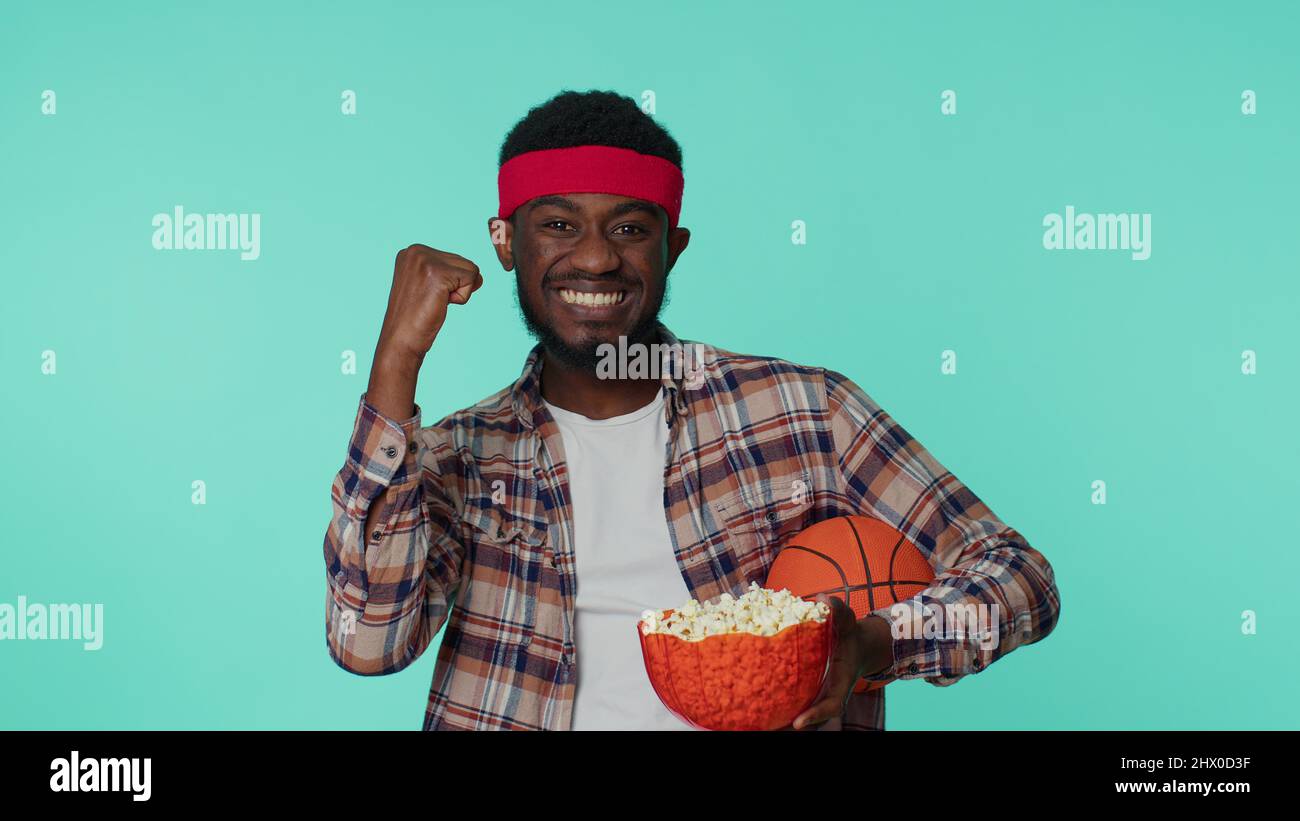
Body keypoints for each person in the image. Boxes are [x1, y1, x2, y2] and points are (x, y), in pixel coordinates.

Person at [321, 89, 1061, 730]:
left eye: (630, 228)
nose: (596, 258)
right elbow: (368, 641)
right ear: (506, 241)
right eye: (557, 224)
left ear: (672, 247)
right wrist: (394, 370)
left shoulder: (803, 413)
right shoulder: (457, 455)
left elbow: (1019, 576)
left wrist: (873, 644)